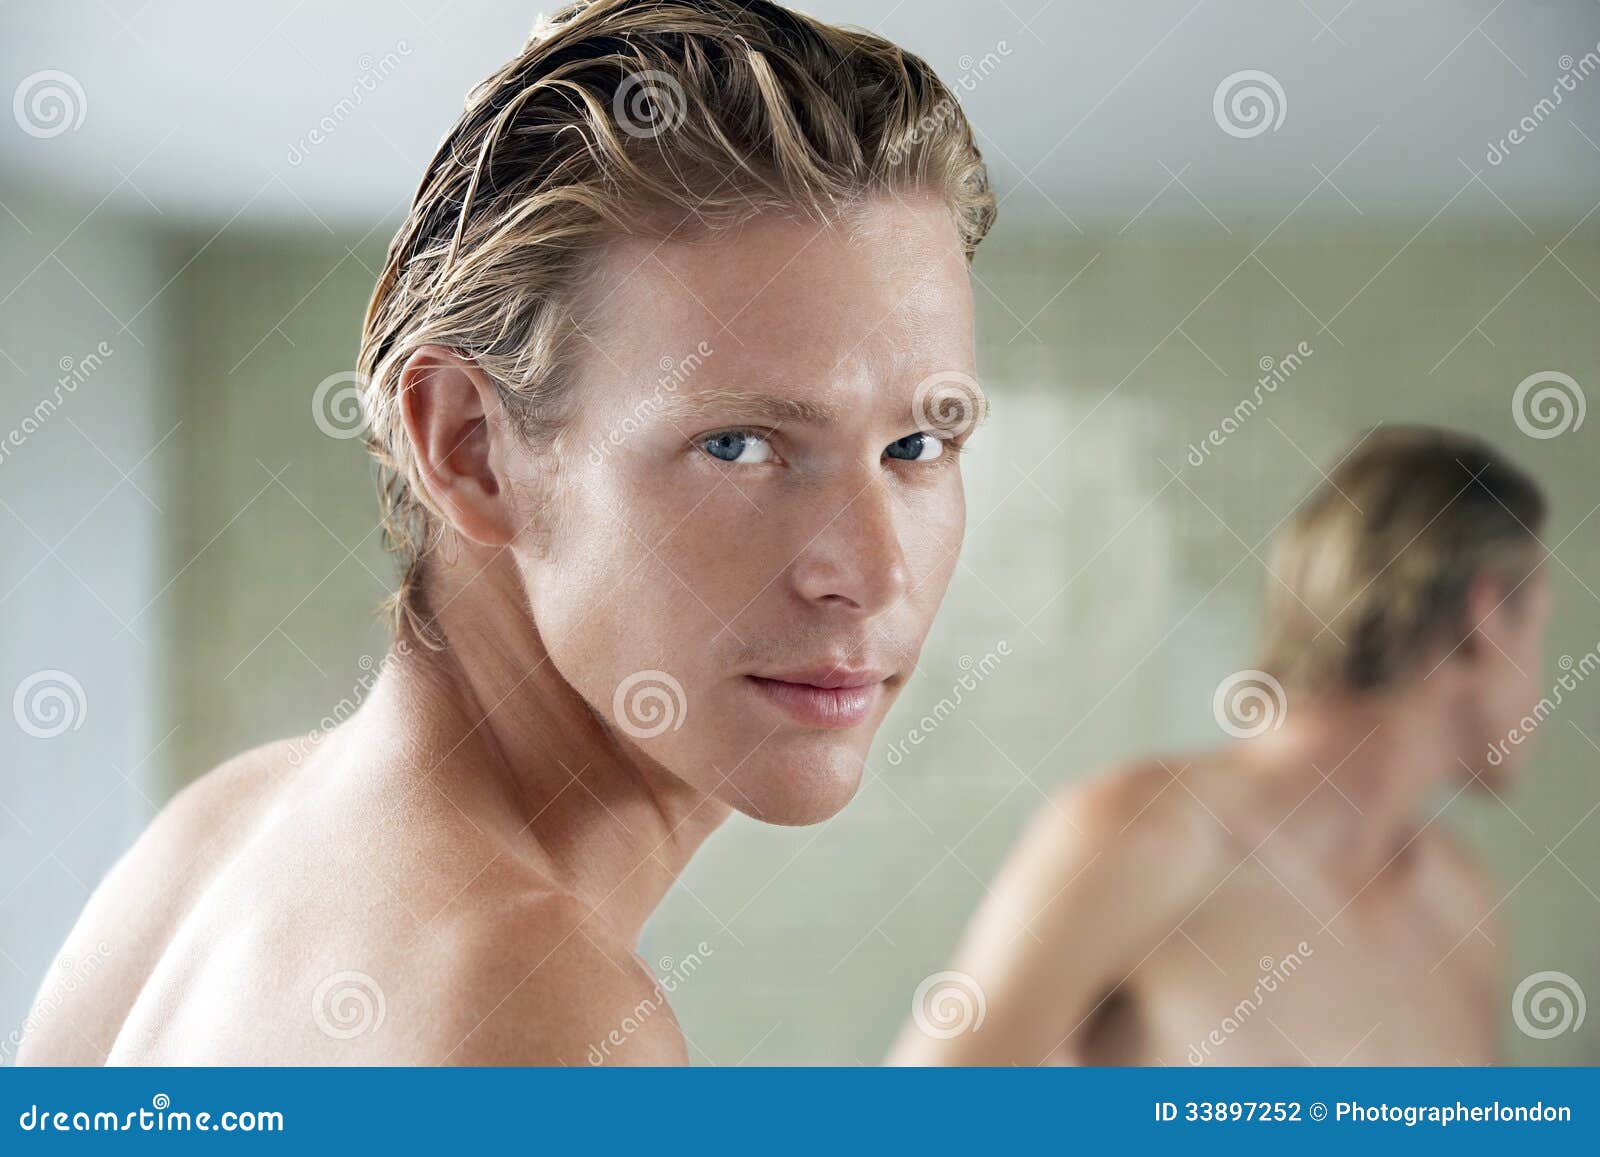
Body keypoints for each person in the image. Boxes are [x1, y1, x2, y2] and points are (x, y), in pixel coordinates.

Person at [18, 0, 995, 1065]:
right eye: (738, 445)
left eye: (917, 446)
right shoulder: (543, 1014)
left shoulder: (214, 842)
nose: (872, 571)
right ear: (470, 446)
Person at [890, 427, 1551, 1066]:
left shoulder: (1459, 906)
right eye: (1539, 632)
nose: (1539, 677)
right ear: (1486, 614)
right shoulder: (1142, 840)